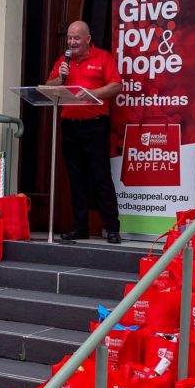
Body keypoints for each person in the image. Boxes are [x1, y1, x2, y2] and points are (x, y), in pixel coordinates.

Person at [45, 20, 123, 243]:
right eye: (69, 38)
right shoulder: (64, 61)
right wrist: (60, 78)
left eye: (76, 38)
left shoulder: (103, 57)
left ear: (88, 39)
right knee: (76, 177)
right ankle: (80, 227)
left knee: (100, 176)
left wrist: (93, 92)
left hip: (95, 124)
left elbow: (117, 85)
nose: (72, 42)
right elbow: (48, 85)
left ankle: (112, 227)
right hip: (69, 125)